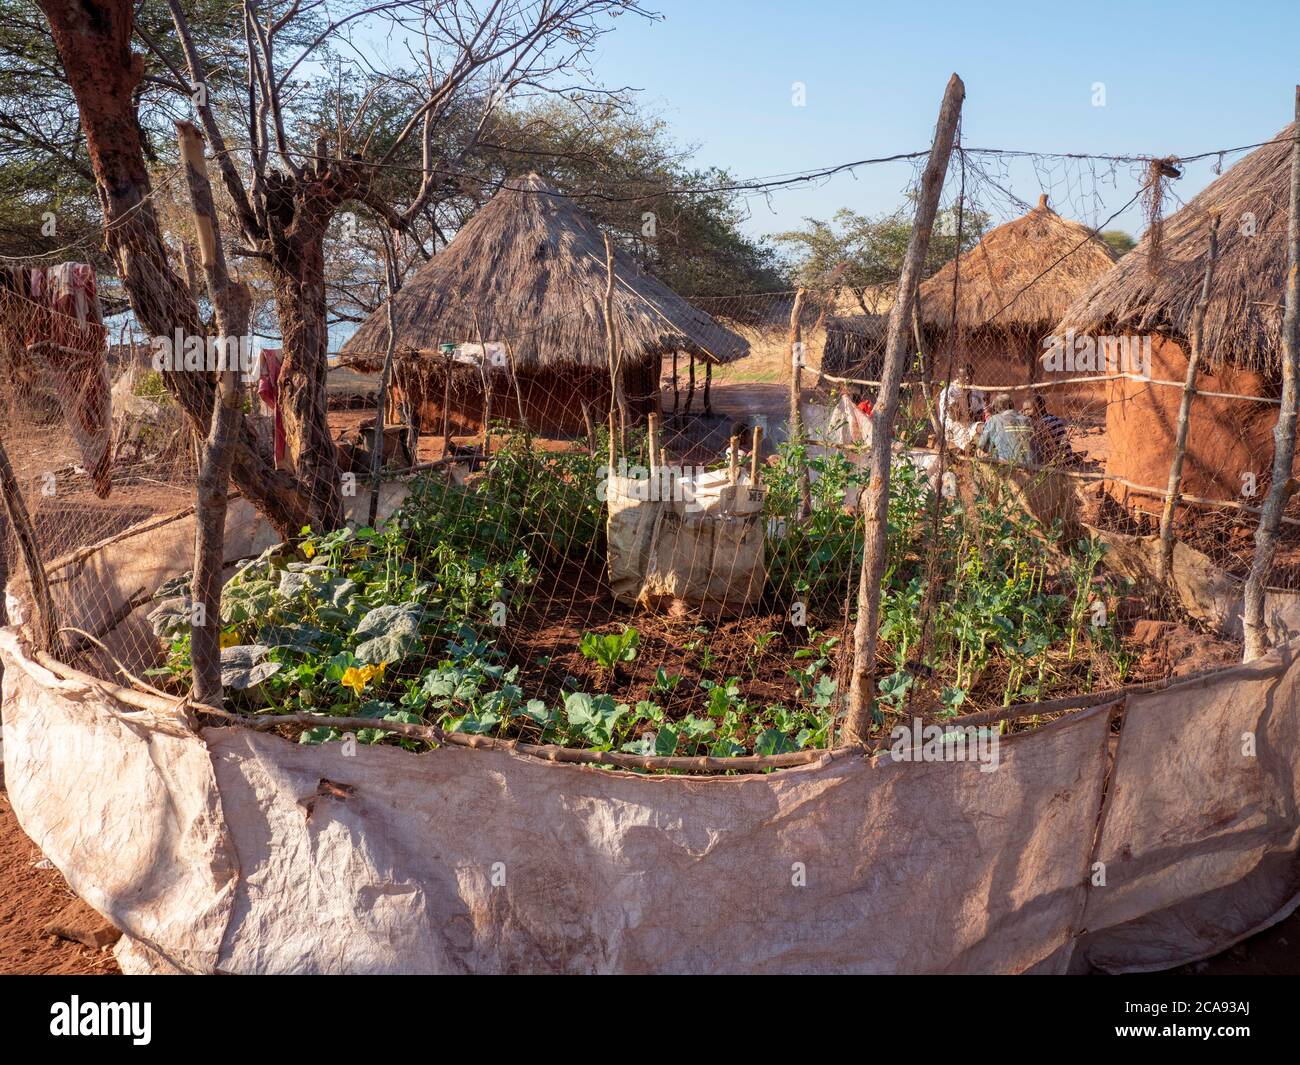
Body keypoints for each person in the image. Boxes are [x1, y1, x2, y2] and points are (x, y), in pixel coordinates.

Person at [979, 392, 1035, 465]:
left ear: (996, 408)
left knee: (980, 453)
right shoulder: (1028, 420)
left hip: (1007, 464)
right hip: (1031, 464)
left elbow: (983, 446)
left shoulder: (994, 420)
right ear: (1012, 405)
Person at [938, 362, 984, 450]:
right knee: (977, 438)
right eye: (964, 375)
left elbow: (981, 411)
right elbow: (955, 417)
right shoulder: (950, 391)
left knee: (985, 428)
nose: (967, 378)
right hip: (953, 426)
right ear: (957, 376)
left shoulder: (975, 391)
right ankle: (985, 455)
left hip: (970, 423)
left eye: (970, 375)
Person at [1029, 394, 1068, 463]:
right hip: (1067, 457)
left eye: (1028, 409)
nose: (1025, 413)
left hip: (1055, 460)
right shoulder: (1054, 418)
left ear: (1039, 407)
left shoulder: (1042, 424)